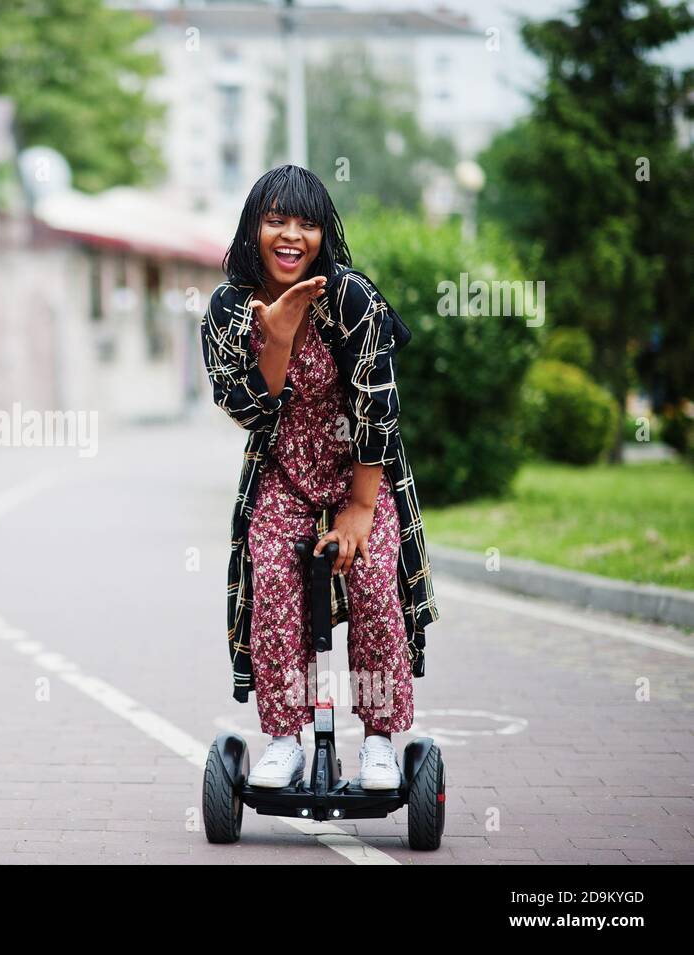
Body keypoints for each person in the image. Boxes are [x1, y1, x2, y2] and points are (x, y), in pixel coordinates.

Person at [200, 165, 441, 790]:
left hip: (362, 474)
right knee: (274, 588)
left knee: (372, 589)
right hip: (282, 475)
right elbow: (248, 410)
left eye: (306, 223)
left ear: (322, 234)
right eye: (276, 220)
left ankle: (381, 741)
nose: (290, 236)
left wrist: (360, 509)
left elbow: (379, 407)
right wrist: (274, 340)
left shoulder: (352, 298)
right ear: (254, 227)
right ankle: (284, 738)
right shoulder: (231, 309)